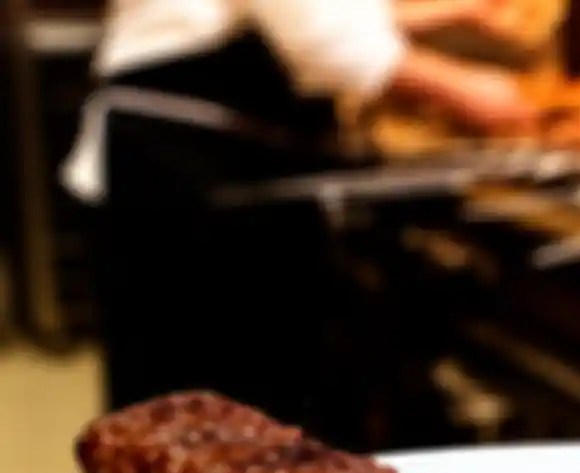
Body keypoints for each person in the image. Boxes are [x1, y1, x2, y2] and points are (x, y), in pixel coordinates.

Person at [60, 0, 536, 433]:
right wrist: (473, 92)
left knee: (191, 411)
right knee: (211, 416)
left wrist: (443, 14)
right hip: (189, 169)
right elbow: (327, 40)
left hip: (200, 161)